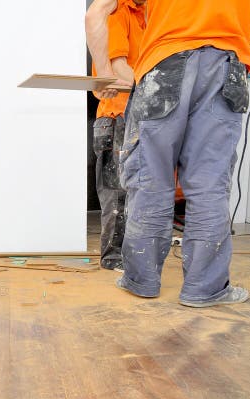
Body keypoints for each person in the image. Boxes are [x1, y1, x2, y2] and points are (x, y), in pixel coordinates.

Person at [86, 0, 250, 307]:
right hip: (228, 65)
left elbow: (96, 12)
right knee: (210, 184)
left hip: (165, 64)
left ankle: (141, 280)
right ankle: (205, 289)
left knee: (150, 178)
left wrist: (104, 77)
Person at [92, 0, 147, 271]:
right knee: (116, 192)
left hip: (135, 113)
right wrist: (156, 85)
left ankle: (130, 256)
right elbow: (118, 66)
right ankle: (113, 259)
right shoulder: (118, 13)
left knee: (135, 188)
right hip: (115, 116)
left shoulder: (145, 17)